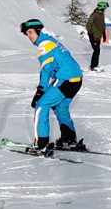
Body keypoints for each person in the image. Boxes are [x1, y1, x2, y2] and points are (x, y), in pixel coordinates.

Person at [21, 19, 85, 153]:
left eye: (31, 32)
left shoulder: (44, 45)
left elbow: (45, 71)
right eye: (27, 34)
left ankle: (41, 144)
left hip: (65, 77)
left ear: (38, 31)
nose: (29, 36)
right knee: (61, 108)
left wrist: (40, 92)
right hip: (76, 78)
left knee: (41, 106)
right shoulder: (51, 41)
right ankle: (69, 139)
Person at [86, 2, 108, 71]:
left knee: (97, 50)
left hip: (98, 35)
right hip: (93, 35)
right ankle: (93, 66)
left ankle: (95, 65)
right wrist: (91, 34)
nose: (105, 9)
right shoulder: (94, 15)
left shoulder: (102, 14)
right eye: (104, 8)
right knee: (96, 50)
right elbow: (88, 24)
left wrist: (104, 33)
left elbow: (102, 24)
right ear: (102, 8)